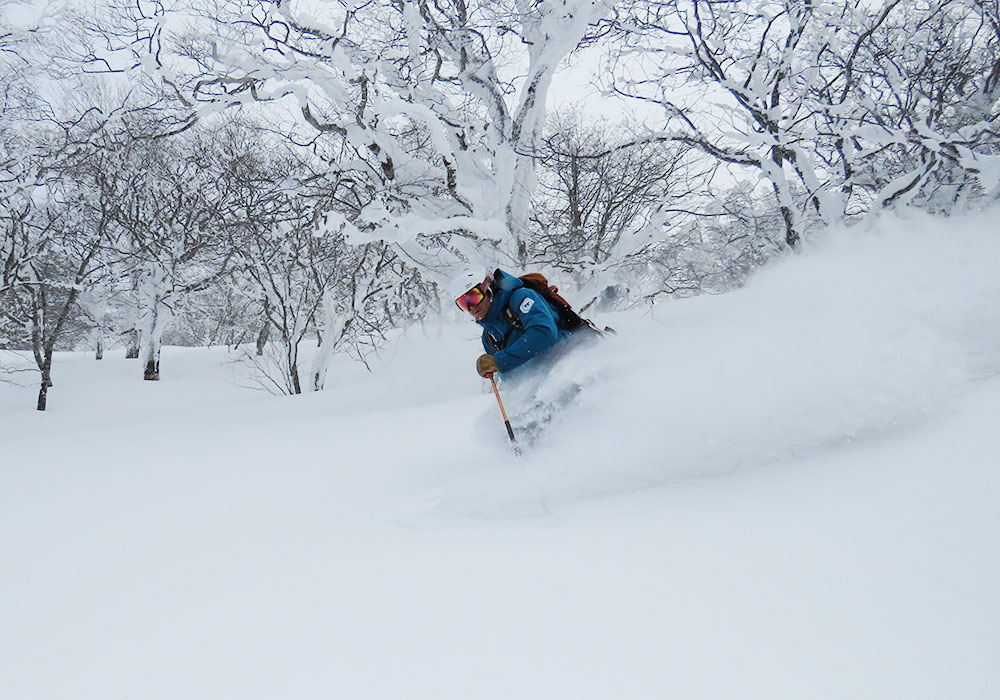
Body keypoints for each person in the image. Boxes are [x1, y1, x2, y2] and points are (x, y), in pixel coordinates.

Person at [448, 267, 575, 379]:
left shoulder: (521, 297)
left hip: (569, 366)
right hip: (542, 388)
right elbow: (511, 377)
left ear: (488, 289)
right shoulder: (489, 337)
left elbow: (544, 332)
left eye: (474, 297)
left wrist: (499, 361)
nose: (471, 308)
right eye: (464, 304)